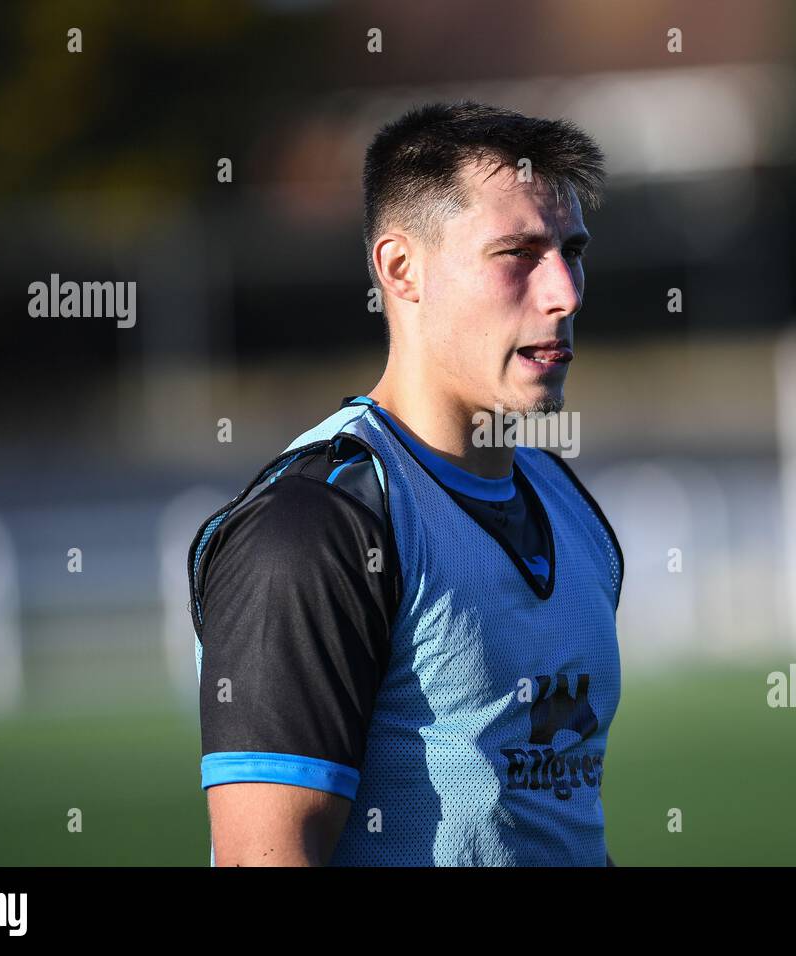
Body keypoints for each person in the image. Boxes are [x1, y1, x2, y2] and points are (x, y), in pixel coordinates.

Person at [188, 100, 623, 866]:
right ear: (400, 269)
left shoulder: (569, 507)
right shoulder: (316, 525)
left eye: (572, 251)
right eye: (518, 253)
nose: (566, 292)